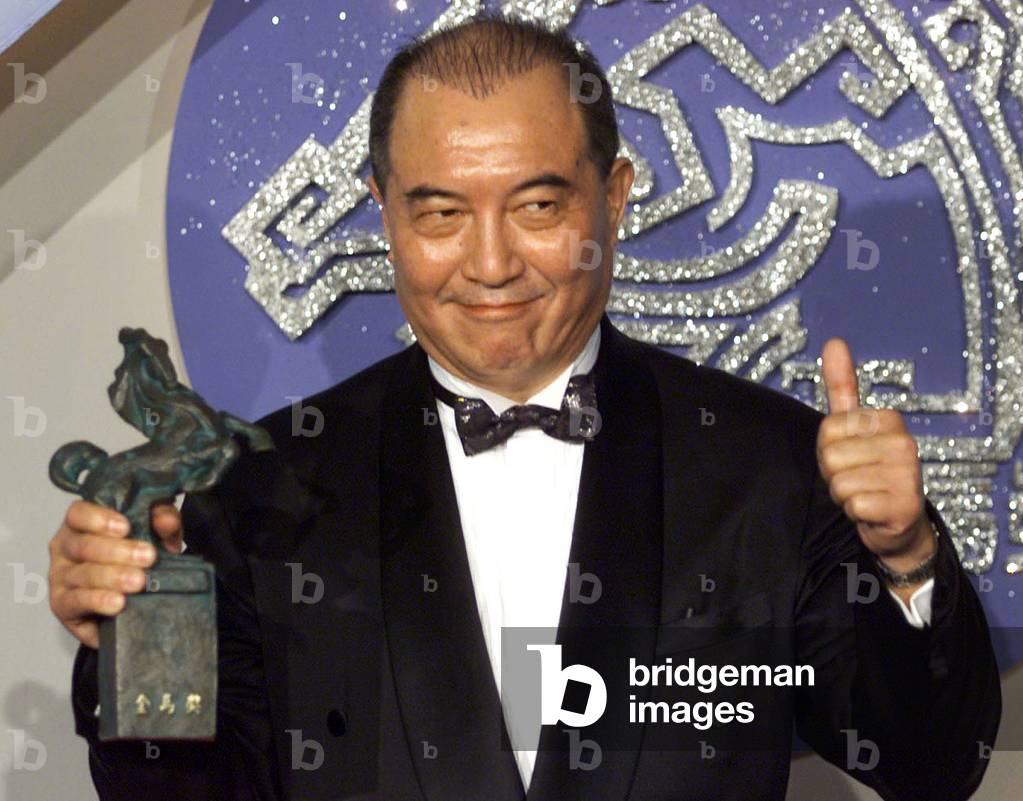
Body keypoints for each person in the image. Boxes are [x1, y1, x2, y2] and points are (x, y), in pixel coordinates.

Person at [47, 12, 1000, 801]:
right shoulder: (262, 490)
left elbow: (931, 762)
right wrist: (134, 632)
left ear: (613, 195)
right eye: (440, 212)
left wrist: (908, 558)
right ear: (384, 211)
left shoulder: (769, 466)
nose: (492, 263)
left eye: (538, 208)